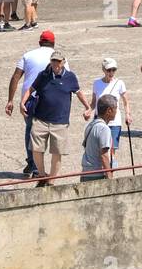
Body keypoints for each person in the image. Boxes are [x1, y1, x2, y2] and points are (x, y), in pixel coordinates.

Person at [22, 50, 91, 184]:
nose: (55, 64)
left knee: (57, 152)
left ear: (63, 62)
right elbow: (31, 89)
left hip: (60, 122)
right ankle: (42, 176)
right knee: (36, 149)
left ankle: (51, 181)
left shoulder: (70, 77)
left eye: (58, 61)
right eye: (53, 61)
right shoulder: (43, 75)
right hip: (40, 119)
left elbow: (78, 92)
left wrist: (87, 107)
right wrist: (22, 102)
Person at [6, 29, 65, 176]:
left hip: (30, 99)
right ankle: (41, 167)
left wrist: (10, 100)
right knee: (50, 131)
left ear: (40, 42)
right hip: (50, 100)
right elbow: (65, 77)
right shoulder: (58, 58)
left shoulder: (27, 55)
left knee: (31, 131)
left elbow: (15, 77)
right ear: (53, 43)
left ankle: (33, 165)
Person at [91, 57, 130, 158]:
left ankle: (111, 171)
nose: (111, 72)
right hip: (99, 121)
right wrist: (88, 110)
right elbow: (93, 103)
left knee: (112, 150)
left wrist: (128, 115)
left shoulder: (120, 83)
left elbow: (126, 101)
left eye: (114, 70)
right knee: (99, 150)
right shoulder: (96, 83)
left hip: (114, 122)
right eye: (109, 70)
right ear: (103, 70)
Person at [81, 95, 117, 182]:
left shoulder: (91, 125)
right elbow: (104, 155)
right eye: (116, 108)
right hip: (96, 175)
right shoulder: (104, 129)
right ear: (109, 110)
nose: (116, 111)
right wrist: (109, 178)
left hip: (86, 173)